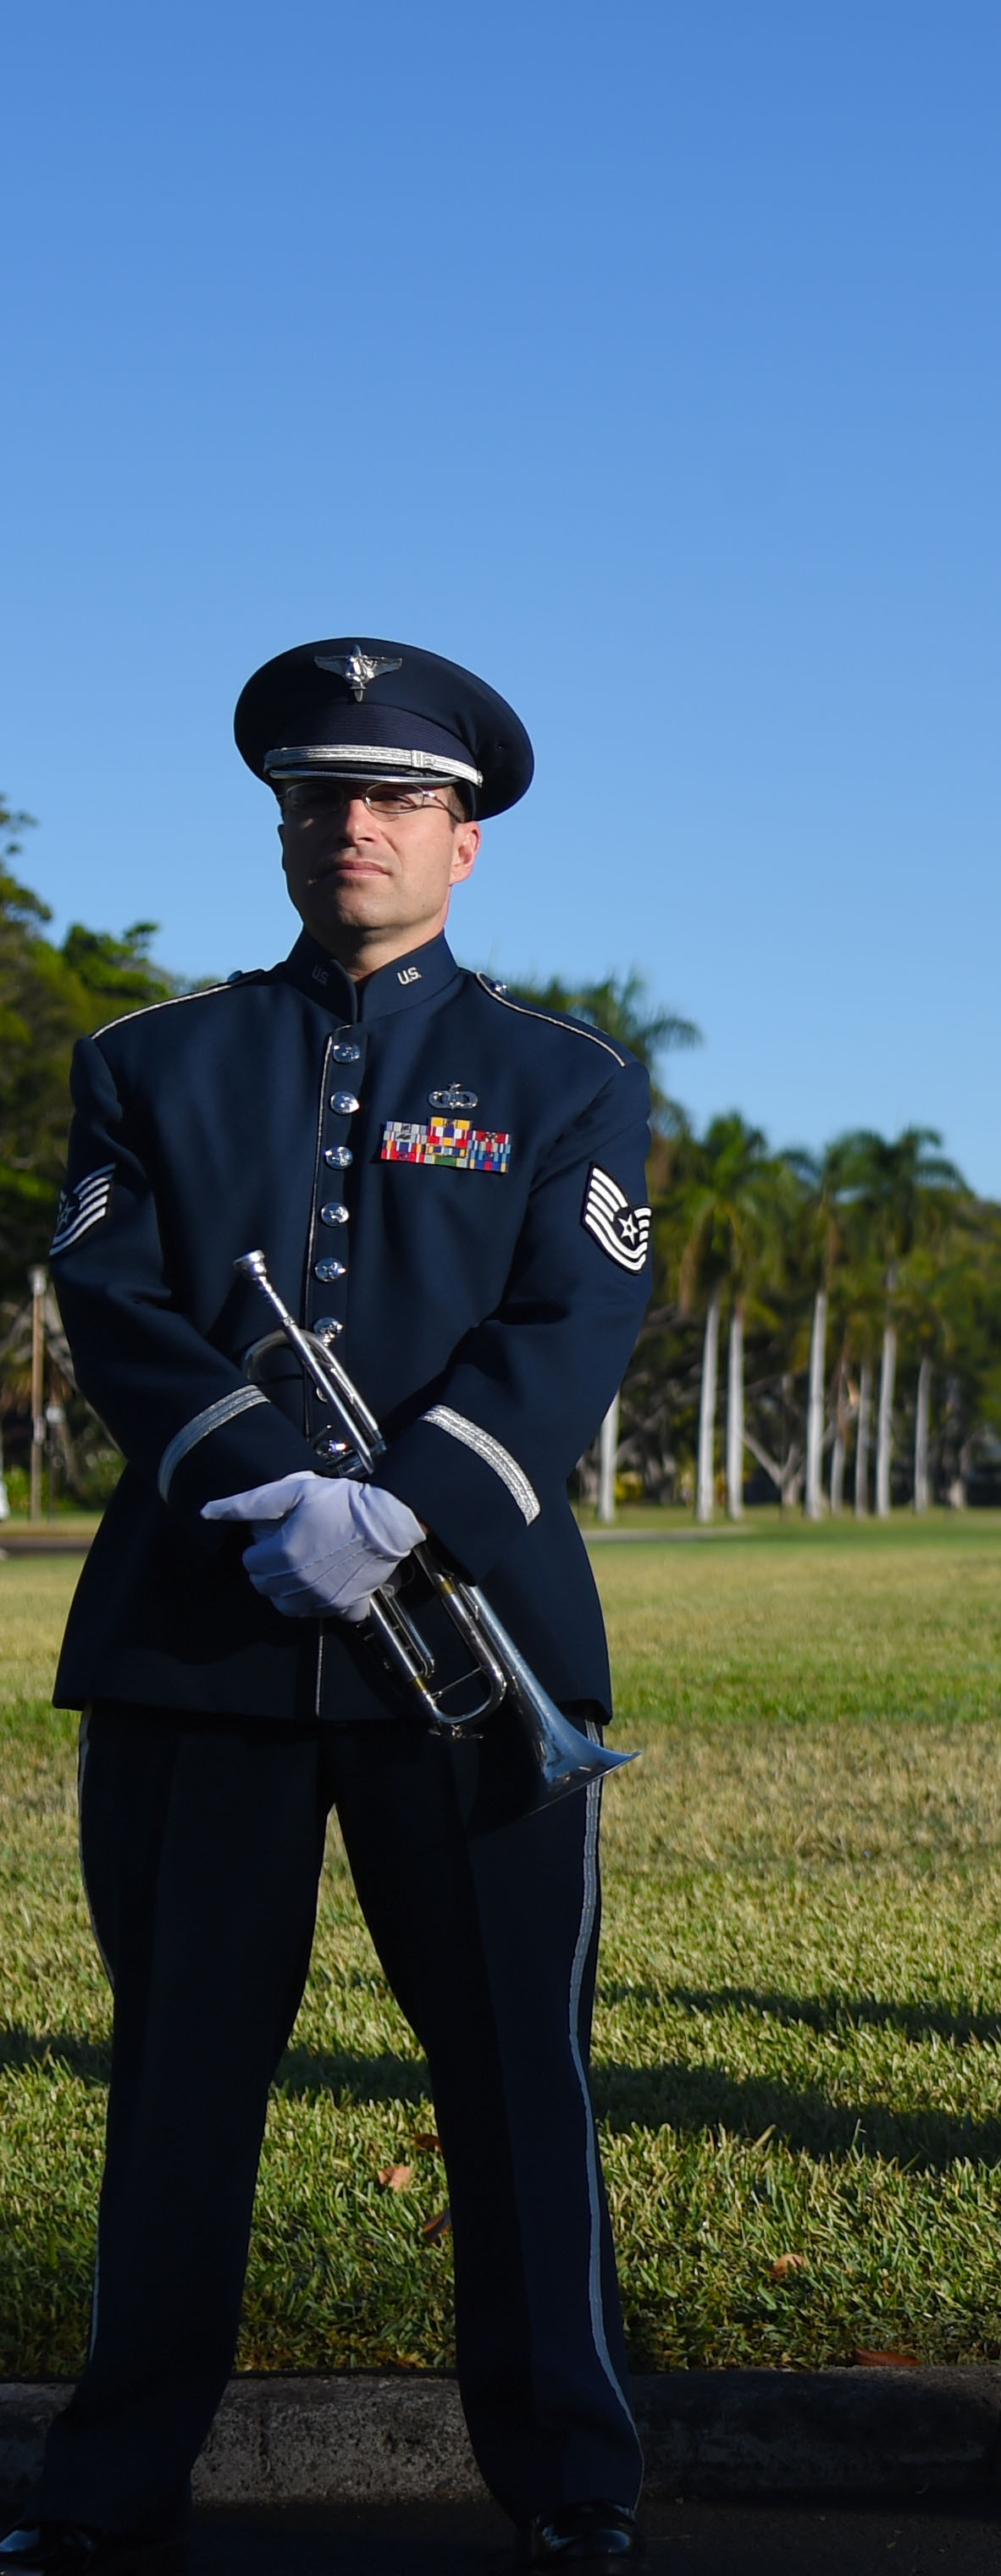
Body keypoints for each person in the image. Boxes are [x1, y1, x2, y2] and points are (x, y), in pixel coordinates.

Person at [1, 641, 657, 2573]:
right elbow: (114, 1303)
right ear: (283, 827)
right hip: (202, 1636)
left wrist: (393, 1508)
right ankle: (110, 2485)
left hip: (475, 1649)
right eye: (320, 796)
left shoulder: (568, 1080)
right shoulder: (150, 1061)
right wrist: (264, 1480)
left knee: (516, 2072)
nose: (353, 824)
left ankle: (570, 2477)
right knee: (179, 2078)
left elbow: (574, 1320)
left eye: (394, 798)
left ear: (466, 841)